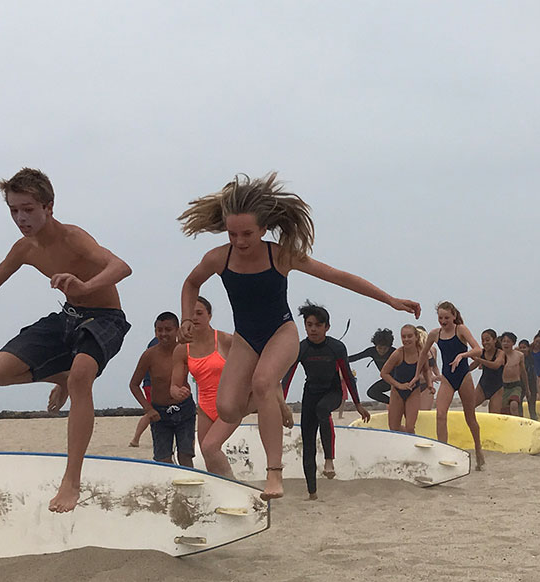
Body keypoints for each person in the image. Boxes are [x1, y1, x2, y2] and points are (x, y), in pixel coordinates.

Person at [178, 173, 421, 500]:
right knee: (227, 409)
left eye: (247, 233)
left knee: (263, 381)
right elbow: (191, 283)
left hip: (282, 332)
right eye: (233, 233)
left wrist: (390, 300)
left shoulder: (279, 255)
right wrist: (185, 317)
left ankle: (273, 474)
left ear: (263, 228)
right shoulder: (219, 258)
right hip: (247, 339)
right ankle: (271, 400)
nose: (240, 241)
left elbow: (339, 276)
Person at [0, 168, 133, 513]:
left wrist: (85, 287)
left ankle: (71, 480)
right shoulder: (24, 249)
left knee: (82, 376)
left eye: (29, 209)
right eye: (14, 211)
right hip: (69, 318)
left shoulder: (74, 238)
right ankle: (60, 378)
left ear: (48, 206)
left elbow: (121, 267)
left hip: (105, 319)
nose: (21, 218)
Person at [279, 302, 370, 500]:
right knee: (308, 442)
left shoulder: (336, 347)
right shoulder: (301, 348)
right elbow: (287, 377)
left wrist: (358, 404)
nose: (313, 329)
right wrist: (280, 404)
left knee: (322, 409)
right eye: (309, 324)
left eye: (317, 325)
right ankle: (312, 492)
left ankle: (329, 460)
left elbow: (347, 375)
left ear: (327, 327)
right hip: (310, 393)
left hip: (333, 392)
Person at [429, 302, 488, 470]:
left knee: (470, 417)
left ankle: (478, 449)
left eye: (446, 317)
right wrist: (427, 377)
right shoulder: (435, 334)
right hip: (447, 378)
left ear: (454, 316)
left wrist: (462, 355)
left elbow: (478, 350)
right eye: (440, 318)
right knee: (440, 414)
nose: (443, 321)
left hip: (463, 377)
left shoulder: (461, 329)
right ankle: (443, 452)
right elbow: (422, 356)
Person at [129, 313, 194, 467]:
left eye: (168, 329)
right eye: (159, 330)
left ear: (177, 330)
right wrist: (148, 409)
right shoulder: (149, 355)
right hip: (159, 413)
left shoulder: (187, 350)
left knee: (185, 456)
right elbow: (134, 384)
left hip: (184, 410)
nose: (163, 334)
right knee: (163, 459)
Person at [172, 297, 231, 447]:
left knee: (210, 448)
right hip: (205, 407)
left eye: (199, 313)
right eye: (190, 314)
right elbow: (174, 386)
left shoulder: (226, 340)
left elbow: (251, 365)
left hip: (229, 403)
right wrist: (177, 392)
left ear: (209, 316)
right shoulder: (182, 349)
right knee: (205, 451)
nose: (194, 318)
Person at [381, 325, 432, 433]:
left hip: (413, 391)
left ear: (416, 337)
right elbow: (384, 373)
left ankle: (411, 438)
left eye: (409, 336)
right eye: (403, 337)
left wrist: (429, 384)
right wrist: (399, 385)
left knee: (410, 427)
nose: (406, 339)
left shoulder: (422, 353)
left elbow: (426, 370)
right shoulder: (398, 354)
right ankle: (408, 438)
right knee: (394, 427)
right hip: (397, 392)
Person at [347, 329, 398, 405]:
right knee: (372, 392)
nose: (382, 351)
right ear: (375, 345)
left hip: (399, 380)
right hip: (387, 380)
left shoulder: (395, 352)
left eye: (385, 349)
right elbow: (355, 357)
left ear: (389, 347)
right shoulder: (372, 351)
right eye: (380, 348)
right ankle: (394, 403)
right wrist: (337, 358)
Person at [127, 336, 161, 447]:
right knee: (151, 411)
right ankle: (135, 439)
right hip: (152, 383)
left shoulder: (156, 342)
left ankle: (136, 439)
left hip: (152, 383)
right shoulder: (156, 343)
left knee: (152, 411)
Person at [466, 329, 510, 414]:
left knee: (494, 415)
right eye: (482, 340)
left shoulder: (500, 353)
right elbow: (471, 367)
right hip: (482, 386)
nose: (485, 343)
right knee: (468, 408)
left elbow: (495, 365)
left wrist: (480, 360)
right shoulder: (481, 353)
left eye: (487, 340)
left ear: (494, 340)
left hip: (497, 388)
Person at [495, 332, 528, 416]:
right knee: (503, 410)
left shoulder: (519, 355)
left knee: (514, 405)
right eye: (504, 341)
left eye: (508, 341)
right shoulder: (497, 355)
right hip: (502, 386)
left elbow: (523, 372)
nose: (506, 343)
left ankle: (517, 425)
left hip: (515, 385)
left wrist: (527, 389)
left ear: (513, 343)